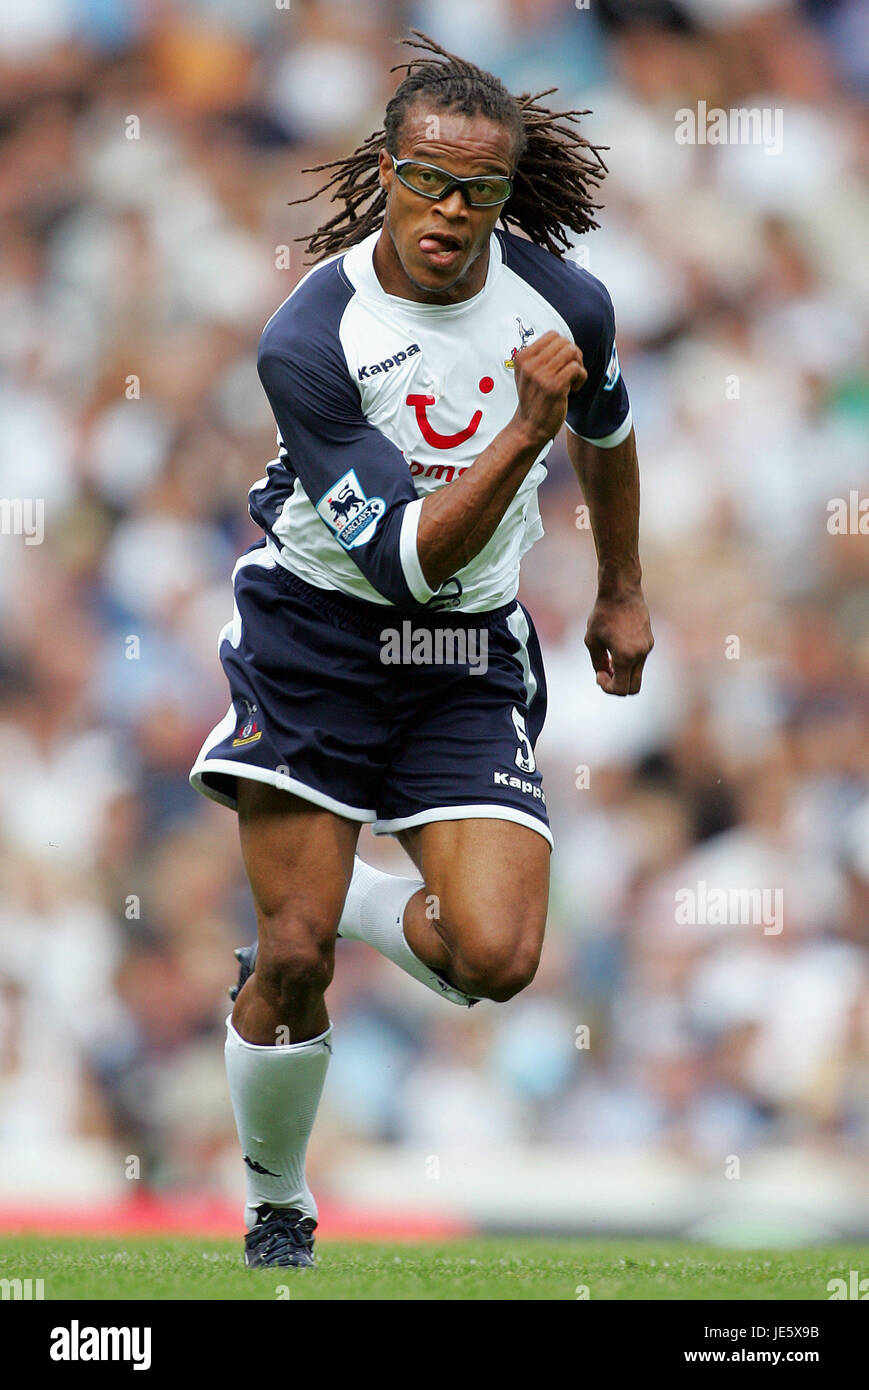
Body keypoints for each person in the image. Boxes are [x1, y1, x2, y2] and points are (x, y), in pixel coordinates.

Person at [190, 31, 653, 1269]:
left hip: (462, 655)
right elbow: (404, 558)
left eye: (482, 191)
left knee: (497, 959)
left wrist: (619, 588)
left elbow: (606, 434)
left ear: (509, 195)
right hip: (319, 636)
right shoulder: (311, 336)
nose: (452, 212)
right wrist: (522, 424)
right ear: (383, 170)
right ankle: (277, 1202)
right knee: (289, 959)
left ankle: (351, 903)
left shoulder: (566, 303)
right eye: (428, 181)